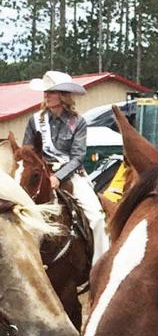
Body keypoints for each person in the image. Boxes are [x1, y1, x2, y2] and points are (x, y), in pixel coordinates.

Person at [23, 70, 109, 260]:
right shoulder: (35, 120)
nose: (46, 95)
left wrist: (58, 177)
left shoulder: (78, 122)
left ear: (63, 96)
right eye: (46, 92)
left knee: (97, 218)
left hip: (70, 174)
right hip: (39, 173)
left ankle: (100, 265)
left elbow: (78, 157)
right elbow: (27, 152)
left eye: (51, 92)